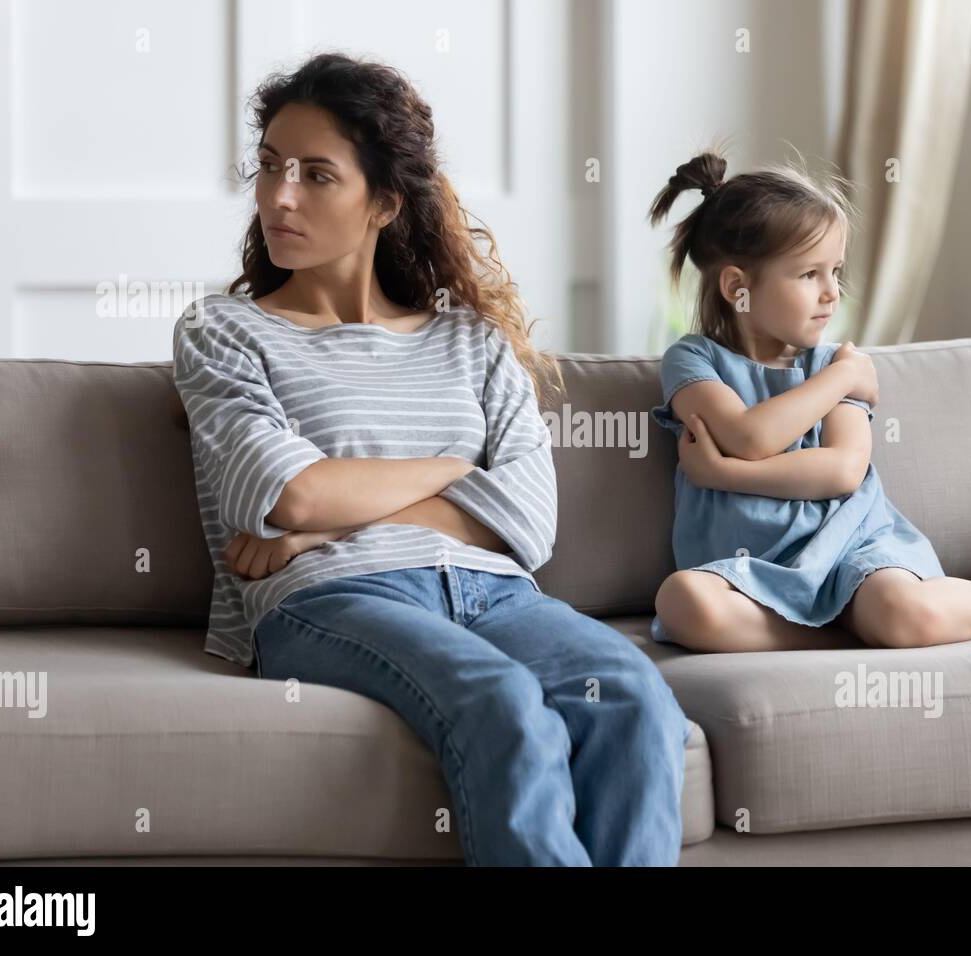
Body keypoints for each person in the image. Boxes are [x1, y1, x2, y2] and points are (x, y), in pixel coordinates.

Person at [171, 53, 691, 866]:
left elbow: (528, 519)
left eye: (315, 174)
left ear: (383, 201)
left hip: (496, 596)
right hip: (330, 598)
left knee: (637, 700)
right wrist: (453, 471)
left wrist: (333, 516)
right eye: (270, 166)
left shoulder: (473, 343)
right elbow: (290, 498)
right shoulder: (225, 334)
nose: (278, 195)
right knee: (504, 703)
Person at [647, 150, 971, 654]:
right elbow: (749, 436)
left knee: (906, 613)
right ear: (738, 288)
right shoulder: (694, 360)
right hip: (746, 575)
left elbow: (843, 471)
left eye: (836, 272)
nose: (833, 293)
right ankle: (837, 634)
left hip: (852, 554)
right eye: (809, 275)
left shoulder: (837, 363)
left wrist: (723, 474)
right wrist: (840, 380)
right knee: (681, 601)